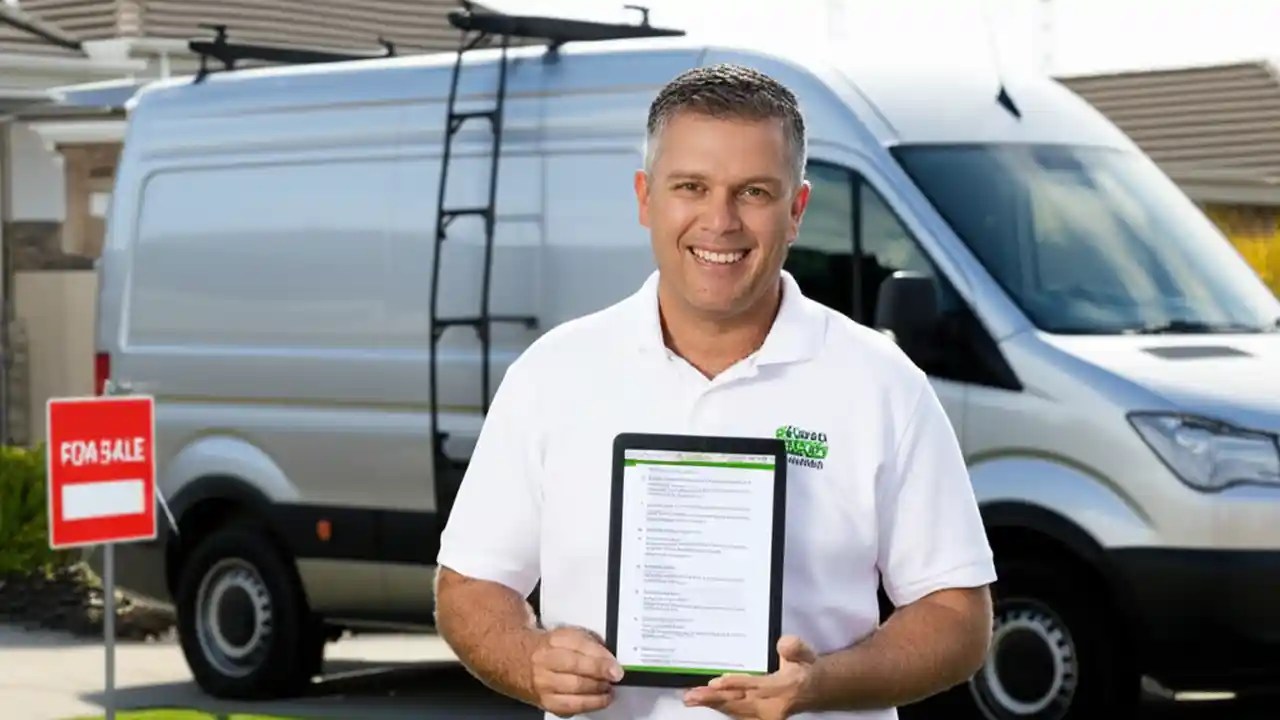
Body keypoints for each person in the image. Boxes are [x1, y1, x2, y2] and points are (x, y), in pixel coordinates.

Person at [433, 63, 997, 720]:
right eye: (690, 187)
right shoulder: (554, 374)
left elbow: (959, 615)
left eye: (753, 191)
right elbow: (469, 586)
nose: (719, 221)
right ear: (646, 197)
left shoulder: (882, 383)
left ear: (797, 209)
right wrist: (532, 660)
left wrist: (824, 682)